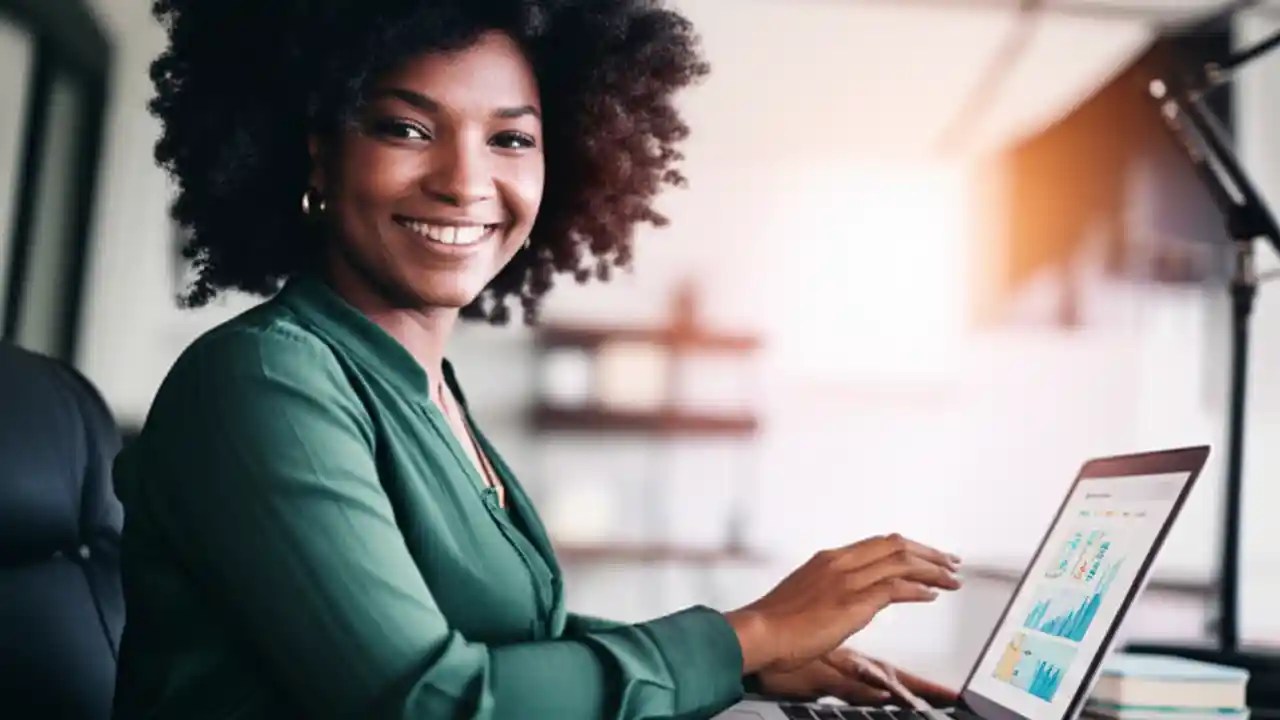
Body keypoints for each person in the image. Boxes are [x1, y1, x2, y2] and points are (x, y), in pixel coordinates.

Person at [111, 1, 964, 718]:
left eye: (510, 140)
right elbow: (429, 700)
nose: (464, 181)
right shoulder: (266, 382)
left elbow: (506, 644)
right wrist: (752, 631)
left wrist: (739, 668)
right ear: (317, 154)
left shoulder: (427, 387)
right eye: (408, 128)